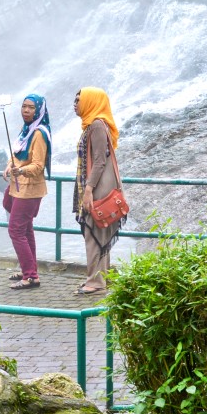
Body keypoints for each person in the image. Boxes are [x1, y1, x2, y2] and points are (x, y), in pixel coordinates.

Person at [73, 87, 123, 296]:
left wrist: (88, 191)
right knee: (97, 235)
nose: (75, 104)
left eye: (79, 100)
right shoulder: (92, 125)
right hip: (94, 187)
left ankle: (95, 281)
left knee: (93, 234)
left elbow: (100, 161)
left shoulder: (96, 125)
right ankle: (101, 279)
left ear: (91, 102)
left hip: (97, 189)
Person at [5, 94, 51, 290]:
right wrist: (9, 166)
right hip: (19, 185)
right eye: (24, 106)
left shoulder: (39, 133)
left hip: (30, 188)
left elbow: (38, 165)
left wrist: (21, 170)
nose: (26, 110)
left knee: (15, 230)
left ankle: (31, 276)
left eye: (31, 107)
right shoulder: (26, 130)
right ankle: (29, 271)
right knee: (25, 229)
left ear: (39, 110)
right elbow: (16, 154)